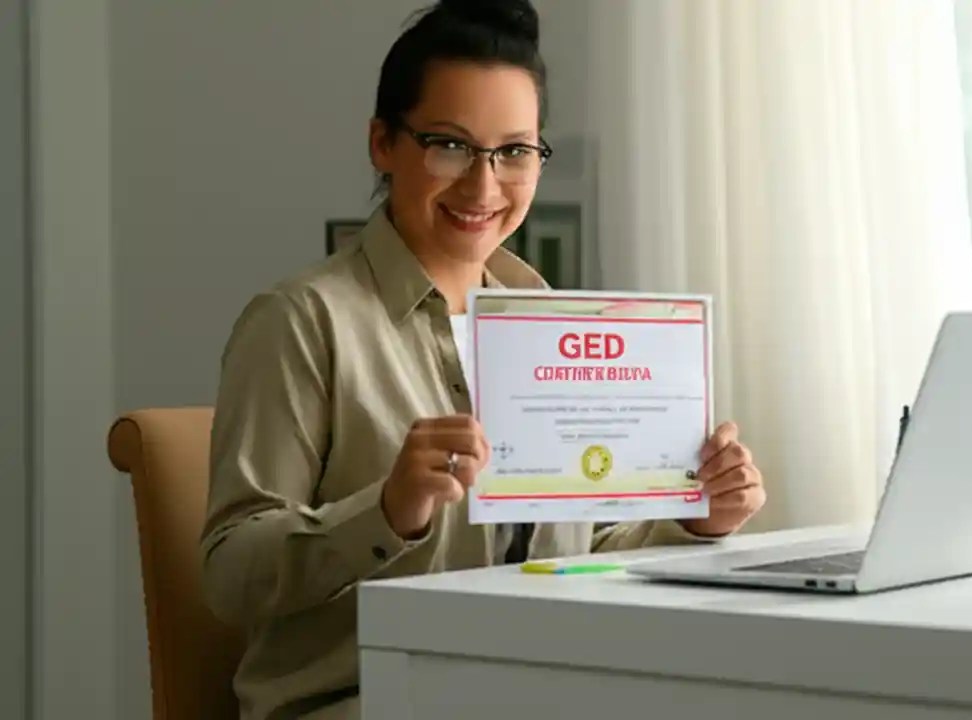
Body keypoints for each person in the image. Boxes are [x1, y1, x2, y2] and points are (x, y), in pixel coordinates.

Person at [199, 1, 766, 718]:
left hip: (536, 690)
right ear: (383, 142)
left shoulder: (545, 316)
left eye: (514, 152)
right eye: (450, 146)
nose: (483, 185)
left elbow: (581, 545)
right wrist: (386, 512)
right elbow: (229, 573)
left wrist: (695, 516)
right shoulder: (302, 322)